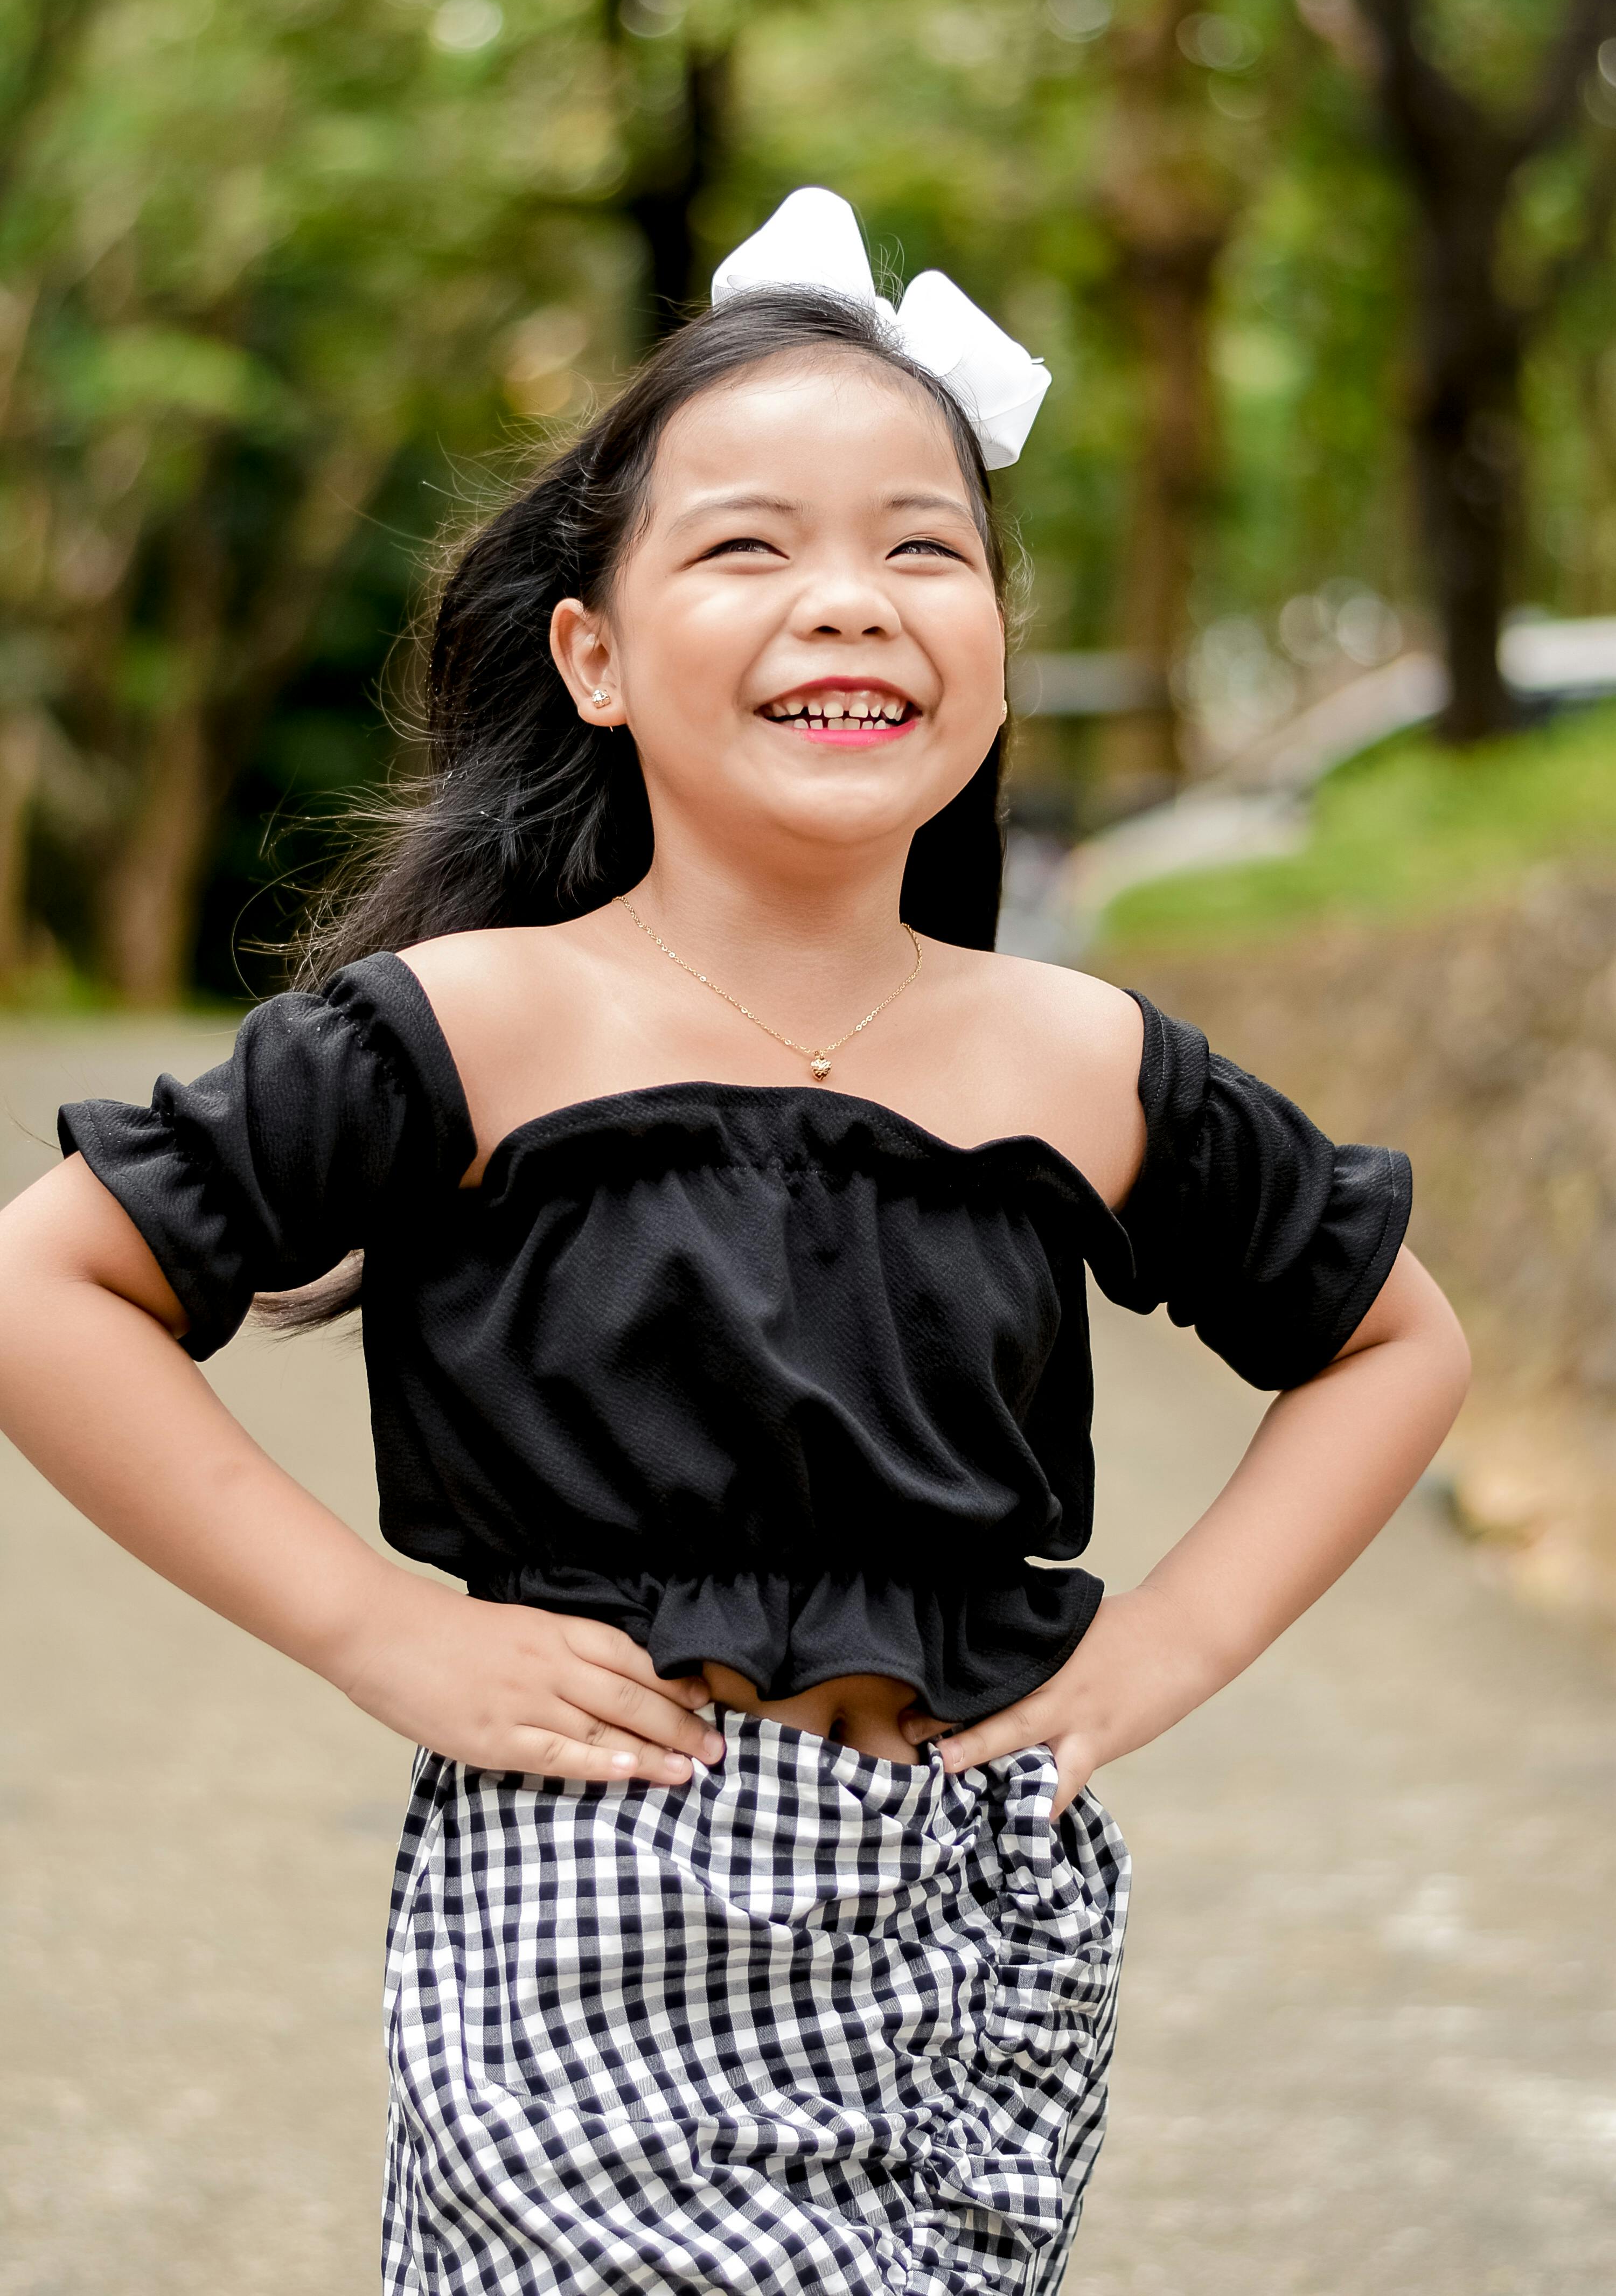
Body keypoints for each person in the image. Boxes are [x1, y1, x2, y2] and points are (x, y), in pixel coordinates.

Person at [0, 190, 1469, 2296]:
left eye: (922, 547)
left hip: (970, 1929)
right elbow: (48, 1284)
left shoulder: (1078, 1055)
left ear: (991, 647)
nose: (850, 601)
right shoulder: (475, 1024)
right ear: (589, 653)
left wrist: (1174, 1641)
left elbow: (1387, 1340)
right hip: (590, 1910)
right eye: (750, 545)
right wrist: (371, 1625)